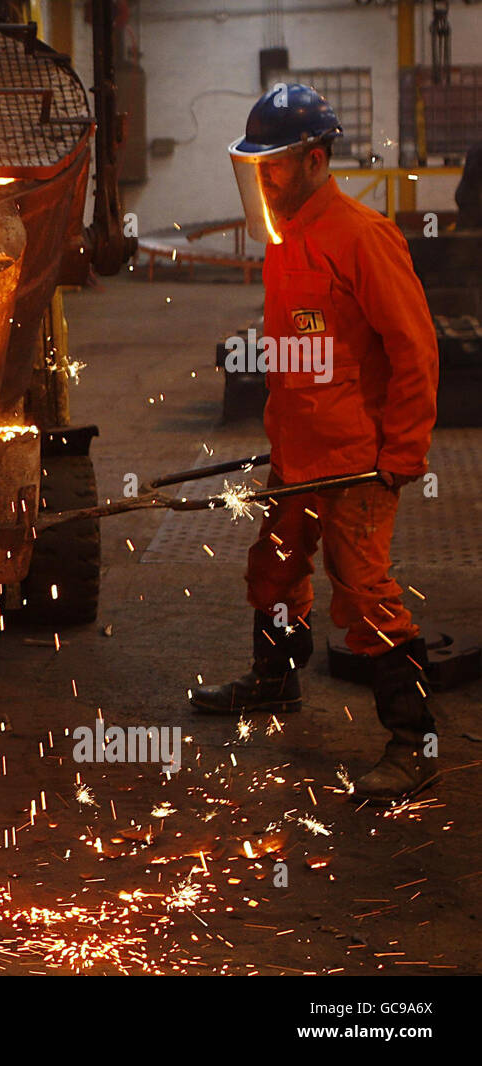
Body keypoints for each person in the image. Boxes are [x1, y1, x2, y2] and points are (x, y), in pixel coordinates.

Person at [192, 85, 440, 802]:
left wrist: (402, 456)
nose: (261, 179)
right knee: (273, 571)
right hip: (297, 454)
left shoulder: (361, 235)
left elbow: (416, 349)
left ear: (315, 159)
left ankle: (414, 742)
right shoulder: (283, 234)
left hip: (357, 461)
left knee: (363, 595)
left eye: (272, 164)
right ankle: (274, 683)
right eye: (255, 165)